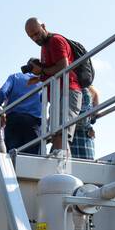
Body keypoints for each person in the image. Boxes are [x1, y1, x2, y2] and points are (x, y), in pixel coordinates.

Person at [24, 17, 81, 152]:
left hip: (68, 91)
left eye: (36, 33)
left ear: (43, 26)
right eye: (31, 36)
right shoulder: (45, 46)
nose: (35, 38)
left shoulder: (55, 40)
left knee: (61, 134)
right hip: (58, 93)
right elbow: (54, 70)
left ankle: (63, 169)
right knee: (57, 134)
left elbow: (63, 67)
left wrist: (42, 71)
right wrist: (40, 77)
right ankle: (59, 168)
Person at [0, 66, 43, 154]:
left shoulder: (15, 77)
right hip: (33, 122)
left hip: (13, 120)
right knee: (33, 158)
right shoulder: (42, 81)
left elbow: (2, 92)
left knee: (13, 158)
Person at [69, 85, 99, 159]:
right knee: (86, 167)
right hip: (85, 136)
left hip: (73, 134)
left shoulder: (82, 90)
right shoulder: (93, 91)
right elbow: (94, 115)